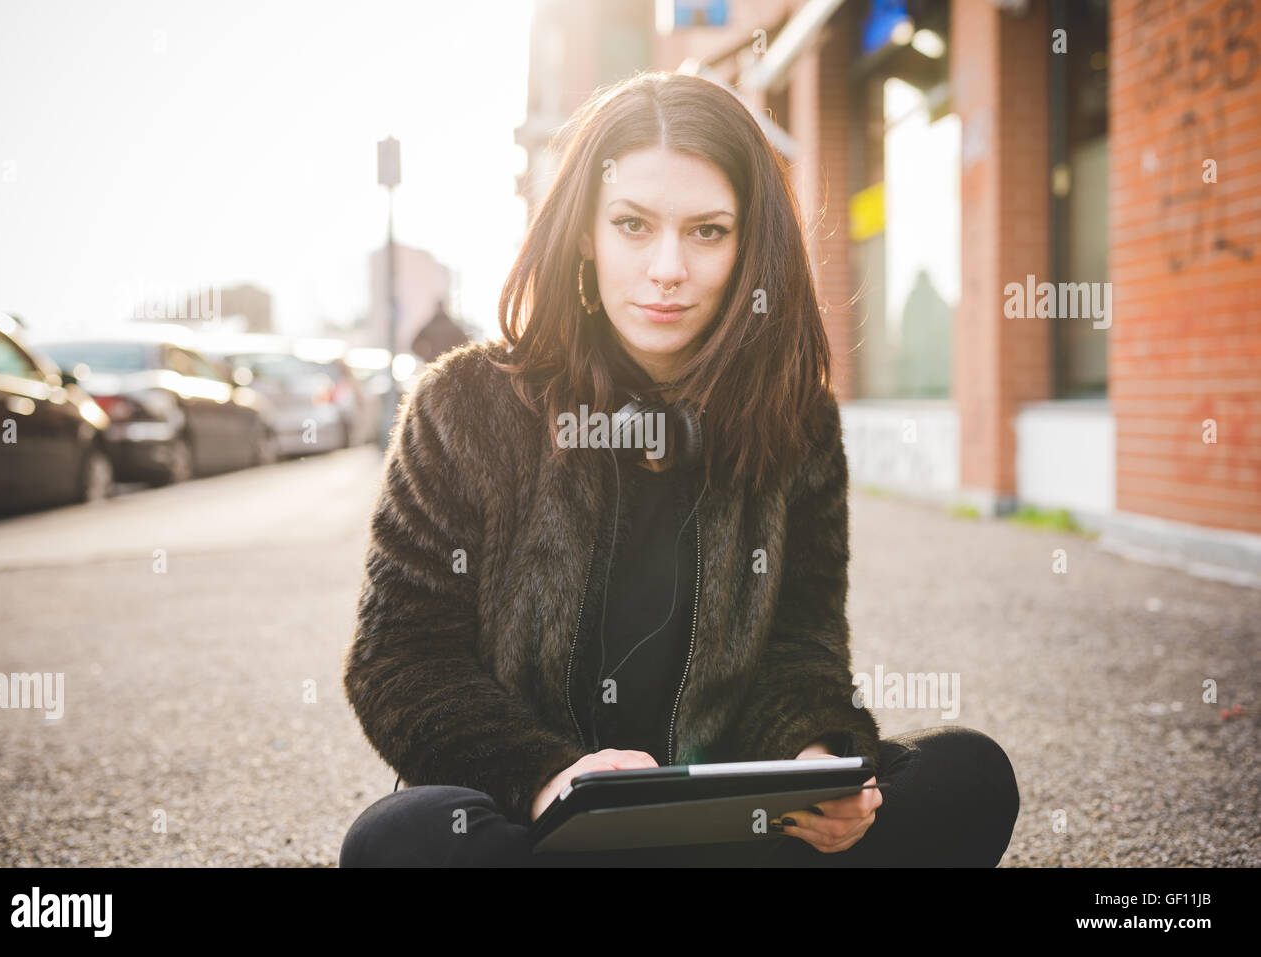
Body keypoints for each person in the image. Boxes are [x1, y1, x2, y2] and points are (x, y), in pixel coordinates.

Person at [339, 71, 1018, 867]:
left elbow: (802, 645)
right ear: (585, 233)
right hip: (539, 824)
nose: (668, 267)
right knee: (397, 841)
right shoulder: (463, 404)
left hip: (730, 821)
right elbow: (400, 660)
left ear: (748, 244)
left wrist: (814, 763)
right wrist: (549, 774)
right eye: (632, 224)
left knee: (967, 773)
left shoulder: (794, 420)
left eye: (707, 231)